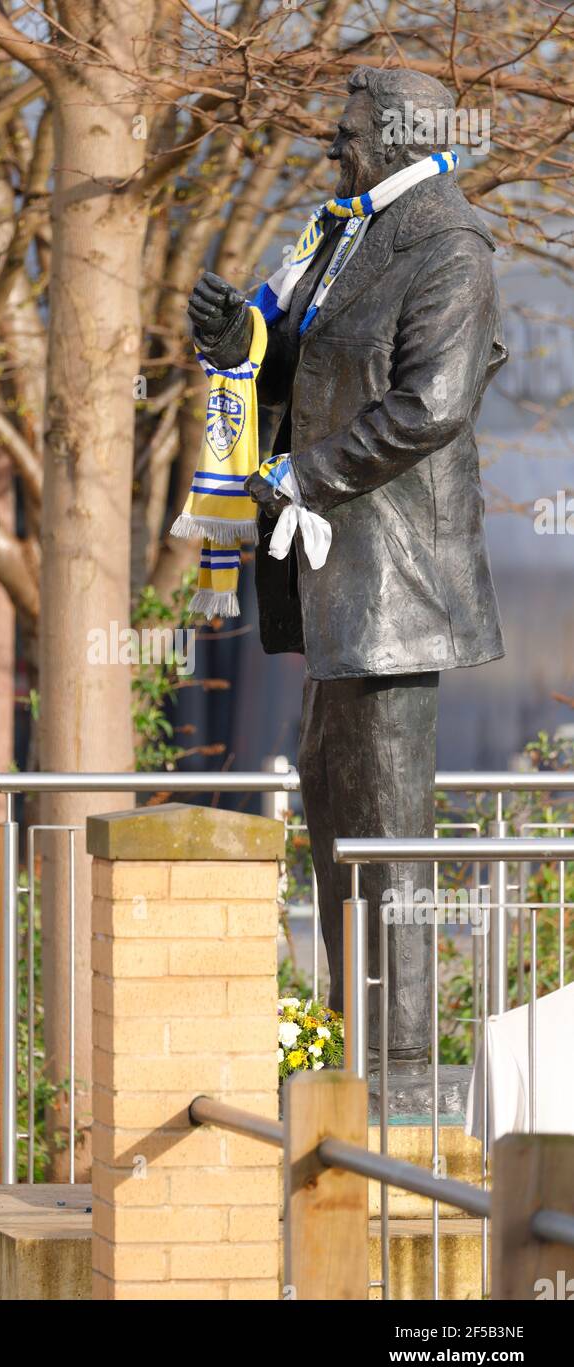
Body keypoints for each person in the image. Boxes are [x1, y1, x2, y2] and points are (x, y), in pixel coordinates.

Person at [188, 67, 507, 1063]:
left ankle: (400, 1076)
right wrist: (242, 342)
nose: (332, 150)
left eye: (347, 136)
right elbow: (321, 369)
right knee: (334, 825)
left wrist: (301, 476)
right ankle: (349, 1048)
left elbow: (430, 405)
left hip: (395, 587)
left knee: (385, 845)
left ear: (406, 141)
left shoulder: (447, 246)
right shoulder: (347, 235)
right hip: (341, 586)